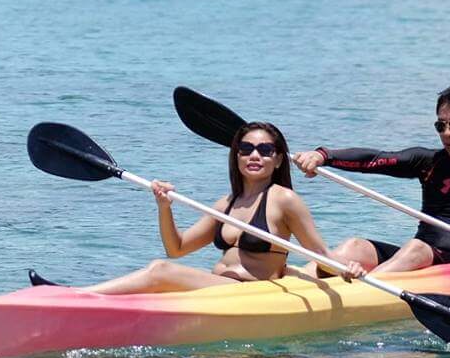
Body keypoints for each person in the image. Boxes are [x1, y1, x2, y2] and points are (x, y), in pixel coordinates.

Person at [54, 120, 365, 293]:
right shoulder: (226, 203)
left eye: (265, 150)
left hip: (250, 292)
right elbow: (177, 248)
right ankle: (87, 298)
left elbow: (319, 253)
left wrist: (346, 269)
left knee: (159, 271)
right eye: (246, 148)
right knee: (161, 270)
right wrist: (164, 207)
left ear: (278, 159)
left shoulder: (284, 199)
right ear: (236, 156)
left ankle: (76, 296)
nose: (254, 155)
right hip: (218, 287)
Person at [290, 84, 450, 277]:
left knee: (418, 249)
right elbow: (373, 159)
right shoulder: (428, 161)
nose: (447, 134)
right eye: (440, 126)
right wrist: (323, 156)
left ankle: (361, 289)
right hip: (418, 256)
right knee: (354, 247)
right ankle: (292, 281)